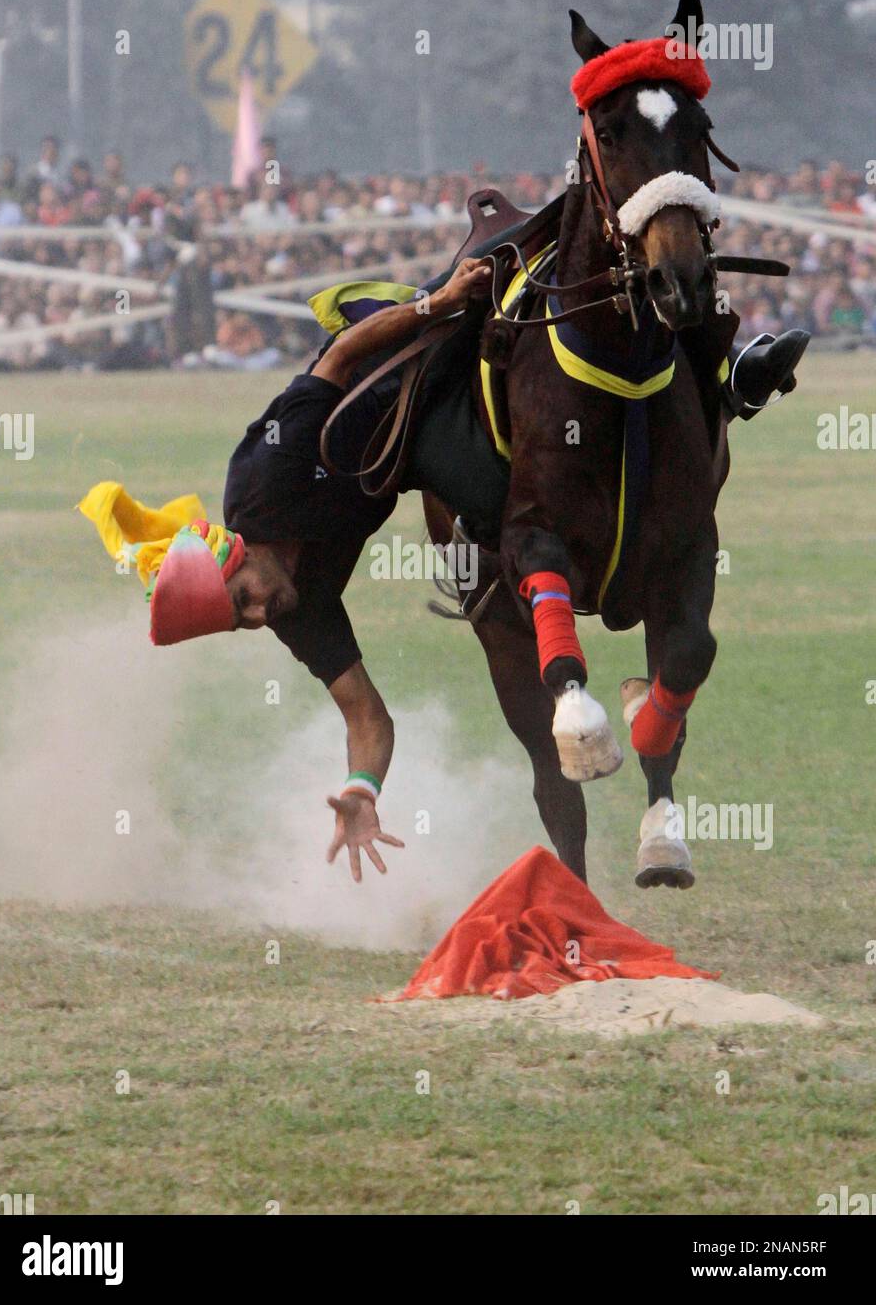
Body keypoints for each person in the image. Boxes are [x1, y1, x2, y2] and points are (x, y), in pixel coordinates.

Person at [79, 254, 807, 882]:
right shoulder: (296, 611)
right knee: (497, 546)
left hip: (420, 370)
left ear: (234, 555)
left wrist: (440, 301)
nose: (261, 616)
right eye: (246, 623)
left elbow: (335, 360)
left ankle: (728, 375)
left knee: (542, 262)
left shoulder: (262, 475)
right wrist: (362, 789)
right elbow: (367, 715)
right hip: (423, 456)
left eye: (244, 601)